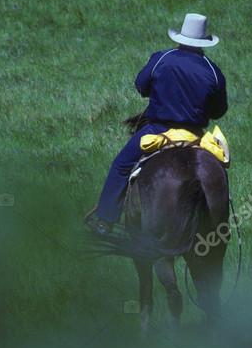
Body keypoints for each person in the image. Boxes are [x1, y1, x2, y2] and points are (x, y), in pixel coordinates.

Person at [86, 13, 227, 234]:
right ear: (204, 42)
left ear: (181, 38)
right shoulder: (212, 70)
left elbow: (141, 86)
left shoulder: (162, 58)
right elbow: (219, 111)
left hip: (157, 130)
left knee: (121, 166)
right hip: (196, 136)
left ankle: (105, 220)